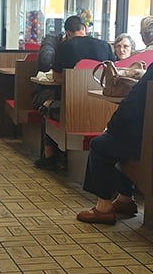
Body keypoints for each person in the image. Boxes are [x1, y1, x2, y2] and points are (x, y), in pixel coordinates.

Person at [77, 14, 153, 224]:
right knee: (122, 138)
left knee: (102, 144)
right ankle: (125, 198)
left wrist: (112, 126)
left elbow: (134, 104)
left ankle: (103, 207)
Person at [34, 15, 114, 169]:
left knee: (47, 107)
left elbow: (57, 78)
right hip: (103, 109)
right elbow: (112, 74)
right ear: (85, 29)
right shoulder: (104, 45)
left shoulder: (65, 46)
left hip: (72, 109)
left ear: (68, 32)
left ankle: (50, 157)